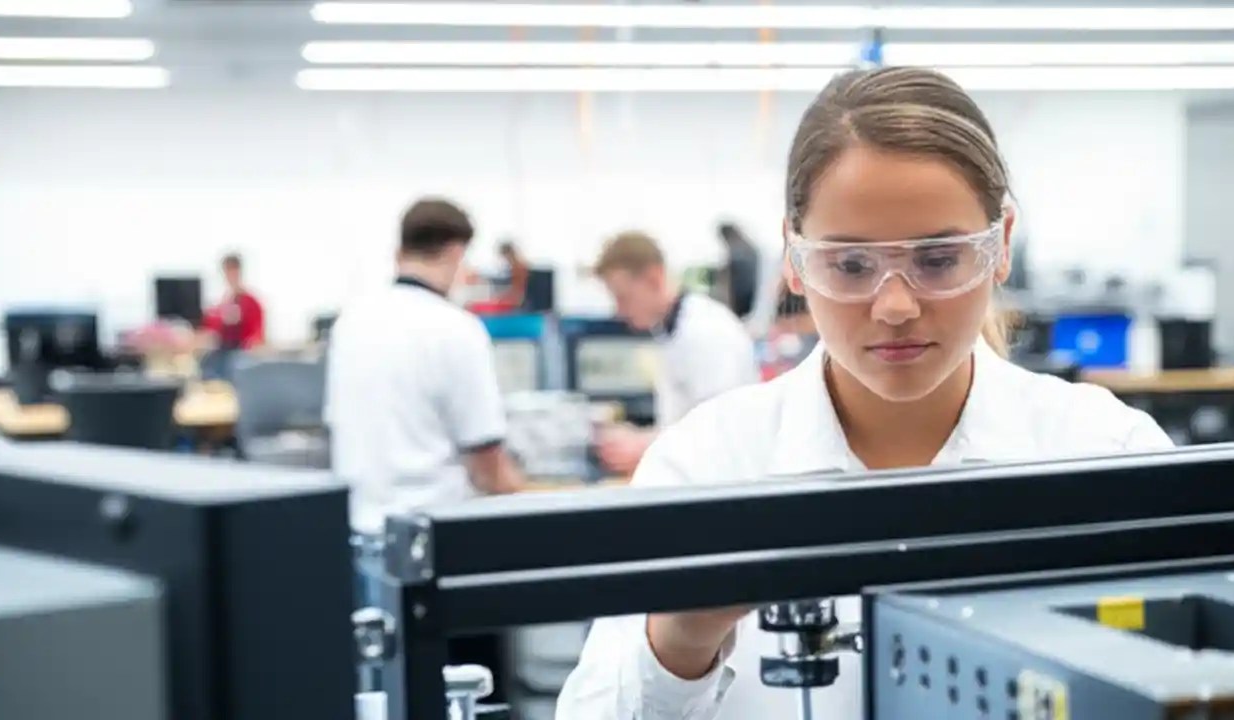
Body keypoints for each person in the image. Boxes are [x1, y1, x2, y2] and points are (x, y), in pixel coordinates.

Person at [555, 67, 1173, 720]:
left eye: (939, 260)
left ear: (1002, 245)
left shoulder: (1109, 454)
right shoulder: (706, 465)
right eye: (851, 265)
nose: (897, 306)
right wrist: (681, 640)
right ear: (794, 255)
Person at [325, 197, 526, 537]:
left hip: (358, 531)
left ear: (399, 253)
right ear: (455, 254)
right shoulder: (457, 329)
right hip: (429, 541)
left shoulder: (350, 322)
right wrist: (543, 497)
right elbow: (487, 471)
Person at [591, 230, 760, 476]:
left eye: (623, 297)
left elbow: (719, 431)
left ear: (654, 279)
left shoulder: (707, 333)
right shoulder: (672, 329)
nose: (618, 310)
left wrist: (644, 445)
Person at [200, 253, 265, 351]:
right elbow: (210, 327)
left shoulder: (250, 302)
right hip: (223, 350)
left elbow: (257, 335)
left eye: (233, 270)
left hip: (241, 353)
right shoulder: (223, 303)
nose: (230, 275)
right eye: (228, 270)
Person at [498, 240, 530, 309]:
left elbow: (518, 288)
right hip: (518, 299)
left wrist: (504, 298)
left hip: (520, 301)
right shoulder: (516, 266)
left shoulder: (518, 267)